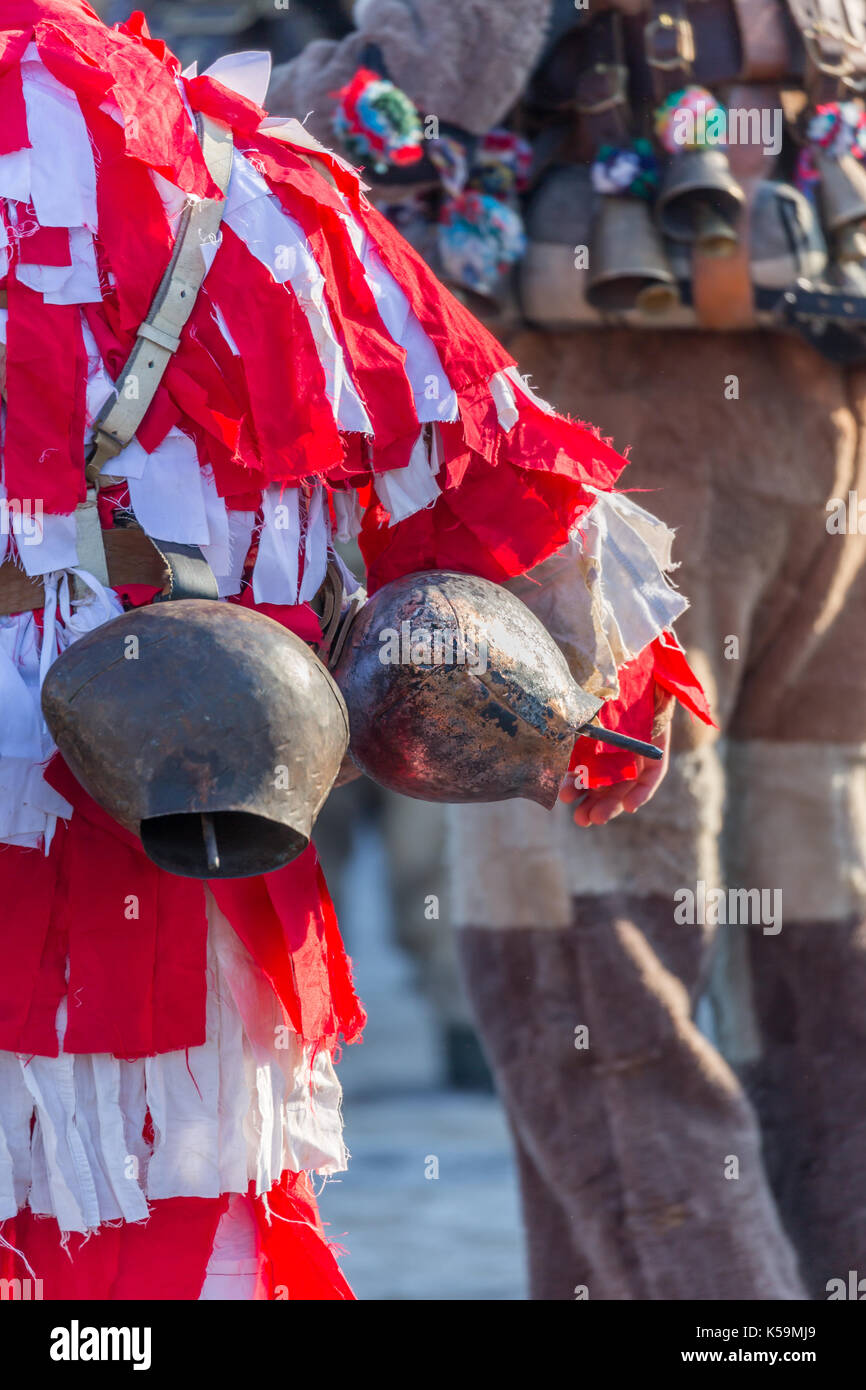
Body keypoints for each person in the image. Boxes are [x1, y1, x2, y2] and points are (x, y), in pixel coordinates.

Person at [0, 0, 704, 1300]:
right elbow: (471, 442)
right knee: (166, 1234)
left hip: (157, 790)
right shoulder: (249, 172)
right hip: (178, 783)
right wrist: (604, 681)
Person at [271, 0, 866, 1299]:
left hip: (619, 426)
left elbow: (439, 74)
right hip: (818, 413)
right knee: (815, 941)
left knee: (587, 942)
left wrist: (241, 99)